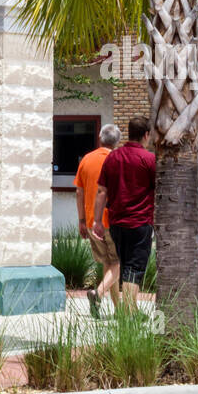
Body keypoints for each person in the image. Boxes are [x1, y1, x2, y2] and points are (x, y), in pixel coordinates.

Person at [92, 114, 156, 312]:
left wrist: (97, 221)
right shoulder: (149, 159)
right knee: (134, 269)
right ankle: (129, 313)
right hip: (139, 223)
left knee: (125, 264)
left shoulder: (113, 157)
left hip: (116, 224)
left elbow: (102, 191)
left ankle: (132, 310)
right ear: (146, 135)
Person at [75, 123, 122, 318]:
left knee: (108, 263)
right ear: (117, 142)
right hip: (111, 221)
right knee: (119, 262)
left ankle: (119, 309)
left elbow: (79, 191)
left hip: (91, 222)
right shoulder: (116, 160)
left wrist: (82, 220)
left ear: (100, 139)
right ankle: (98, 294)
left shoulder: (86, 159)